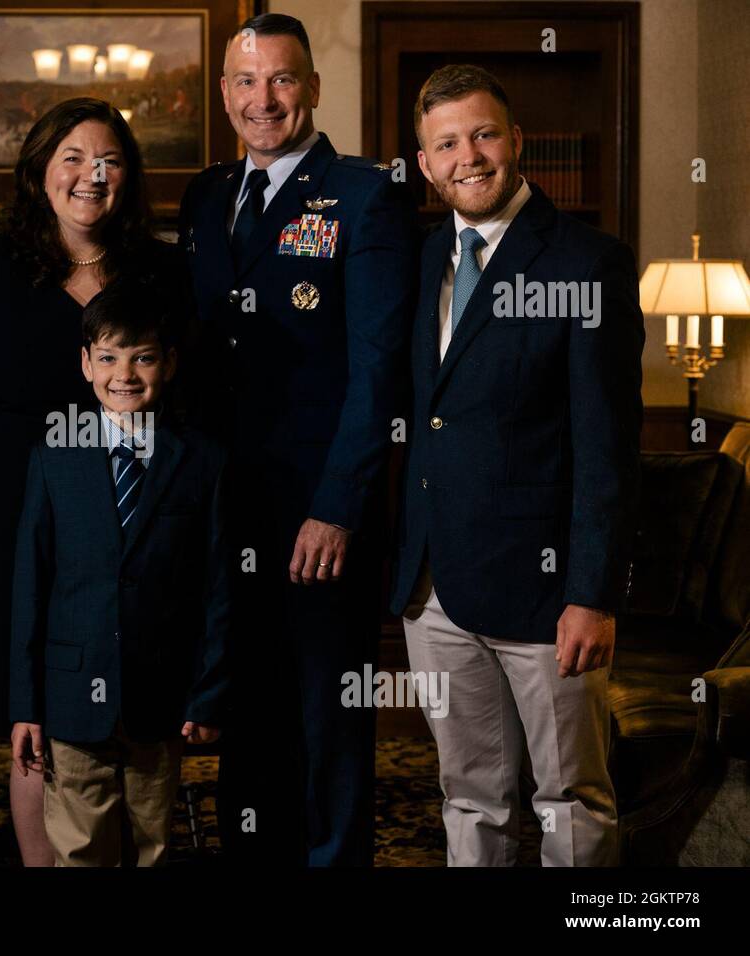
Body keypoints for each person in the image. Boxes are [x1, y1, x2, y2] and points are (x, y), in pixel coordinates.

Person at [178, 13, 418, 866]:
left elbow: (378, 369)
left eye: (282, 80)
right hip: (226, 508)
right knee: (244, 703)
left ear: (313, 89)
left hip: (319, 511)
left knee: (326, 713)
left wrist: (338, 507)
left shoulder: (366, 195)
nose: (263, 99)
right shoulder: (205, 198)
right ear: (224, 92)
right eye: (245, 81)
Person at [392, 64, 643, 866]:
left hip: (547, 597)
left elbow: (607, 446)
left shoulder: (586, 262)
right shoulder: (418, 258)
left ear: (517, 142)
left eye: (484, 134)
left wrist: (591, 594)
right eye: (447, 143)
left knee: (571, 800)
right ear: (425, 164)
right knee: (468, 793)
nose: (469, 155)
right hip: (434, 588)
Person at [0, 97, 185, 865]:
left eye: (110, 160)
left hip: (130, 518)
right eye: (74, 159)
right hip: (15, 506)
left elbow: (193, 399)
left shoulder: (162, 270)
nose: (94, 175)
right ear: (40, 173)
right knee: (32, 710)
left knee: (125, 698)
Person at [8, 284, 230, 866]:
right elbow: (30, 584)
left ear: (170, 362)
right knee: (81, 846)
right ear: (85, 364)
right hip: (70, 697)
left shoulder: (202, 460)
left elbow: (218, 590)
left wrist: (207, 695)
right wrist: (25, 704)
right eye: (107, 357)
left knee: (154, 844)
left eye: (143, 357)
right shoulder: (54, 455)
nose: (124, 374)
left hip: (160, 699)